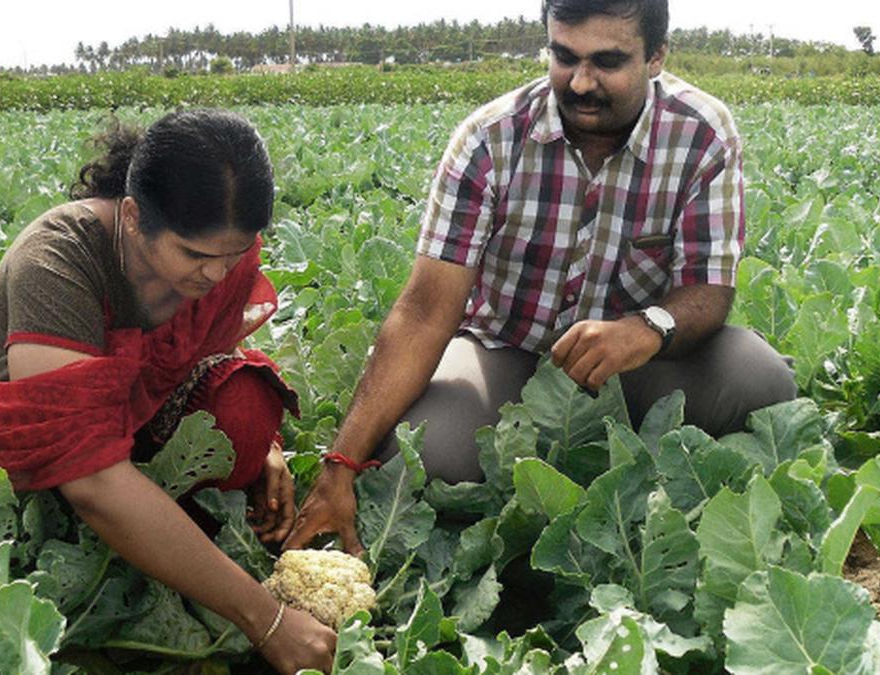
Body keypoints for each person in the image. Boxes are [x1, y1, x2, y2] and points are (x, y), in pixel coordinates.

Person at [0, 110, 335, 674]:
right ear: (132, 215)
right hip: (8, 431)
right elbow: (89, 476)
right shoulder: (57, 258)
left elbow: (209, 351)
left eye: (234, 254)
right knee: (31, 520)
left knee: (246, 412)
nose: (217, 276)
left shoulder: (217, 257)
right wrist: (264, 617)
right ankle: (156, 535)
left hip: (127, 414)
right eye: (196, 256)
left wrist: (267, 444)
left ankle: (164, 533)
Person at [284, 0, 796, 555]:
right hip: (508, 356)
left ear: (656, 57)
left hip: (636, 365)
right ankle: (592, 464)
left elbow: (709, 288)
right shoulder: (490, 138)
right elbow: (425, 311)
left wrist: (646, 328)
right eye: (563, 56)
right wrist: (340, 463)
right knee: (419, 456)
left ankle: (598, 466)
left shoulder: (702, 134)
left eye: (607, 61)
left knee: (761, 380)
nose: (580, 82)